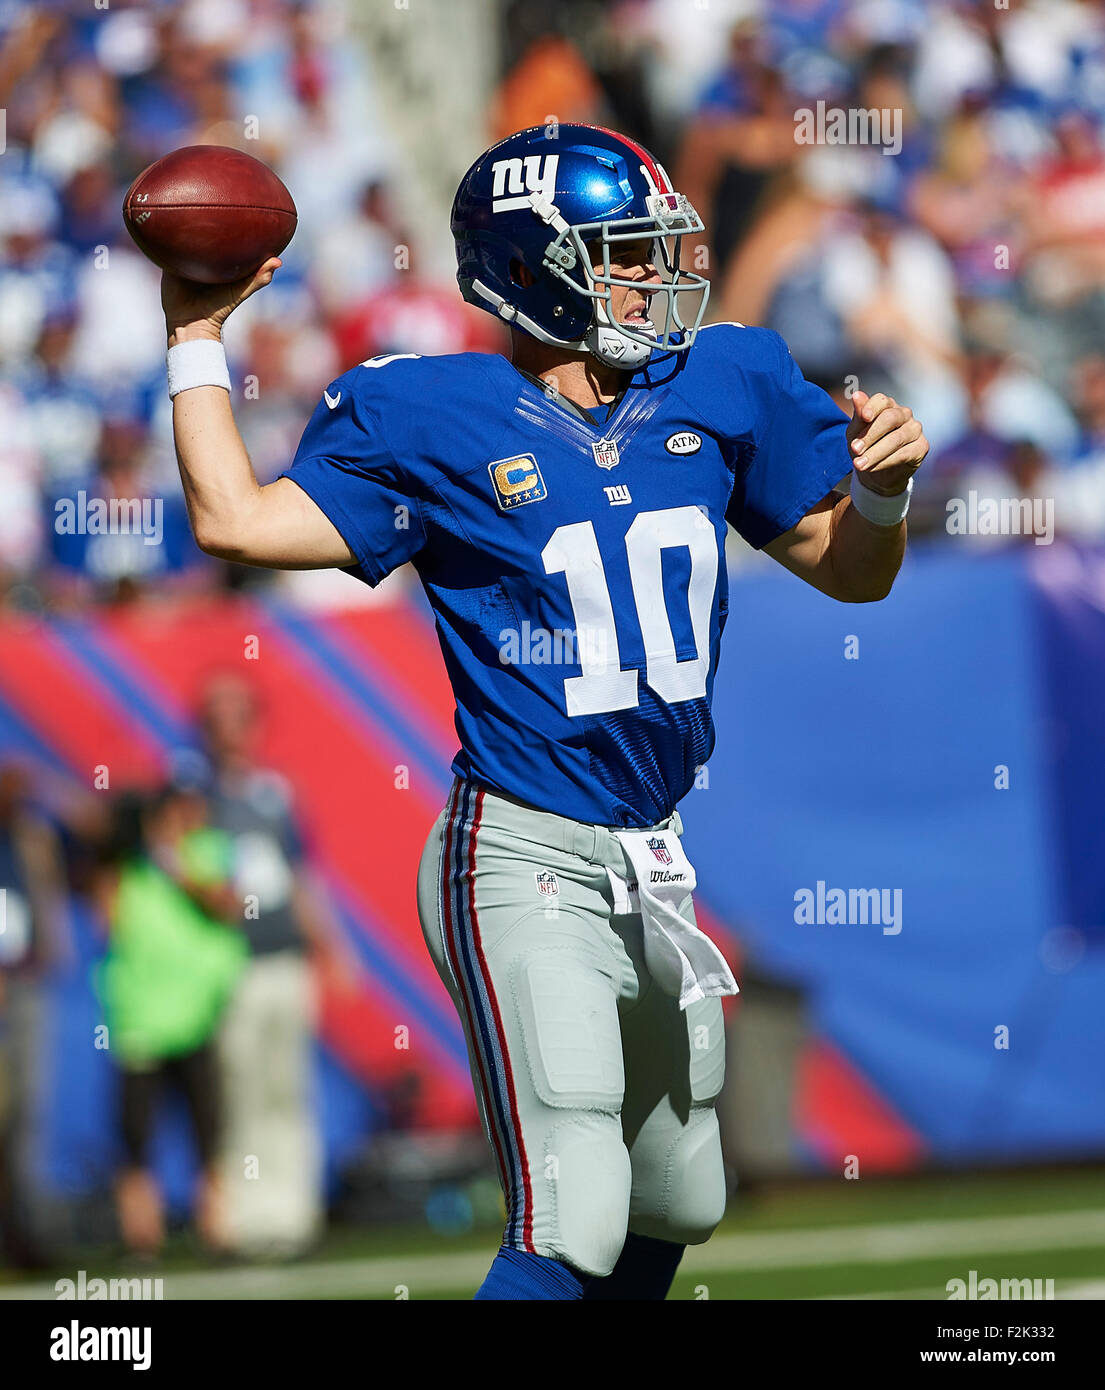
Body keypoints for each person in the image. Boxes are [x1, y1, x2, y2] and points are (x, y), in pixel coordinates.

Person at [156, 123, 928, 1299]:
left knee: (675, 1198)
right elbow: (235, 522)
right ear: (530, 268)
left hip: (652, 855)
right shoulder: (431, 413)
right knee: (571, 1201)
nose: (653, 275)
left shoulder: (721, 379)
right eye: (620, 253)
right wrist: (196, 337)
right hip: (519, 850)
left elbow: (852, 568)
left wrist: (879, 496)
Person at [94, 780, 246, 1257]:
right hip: (139, 1019)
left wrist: (174, 865)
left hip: (197, 1016)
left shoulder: (207, 852)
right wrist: (121, 843)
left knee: (209, 1129)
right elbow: (106, 917)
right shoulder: (125, 869)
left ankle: (216, 1231)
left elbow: (228, 905)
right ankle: (142, 1236)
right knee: (135, 1133)